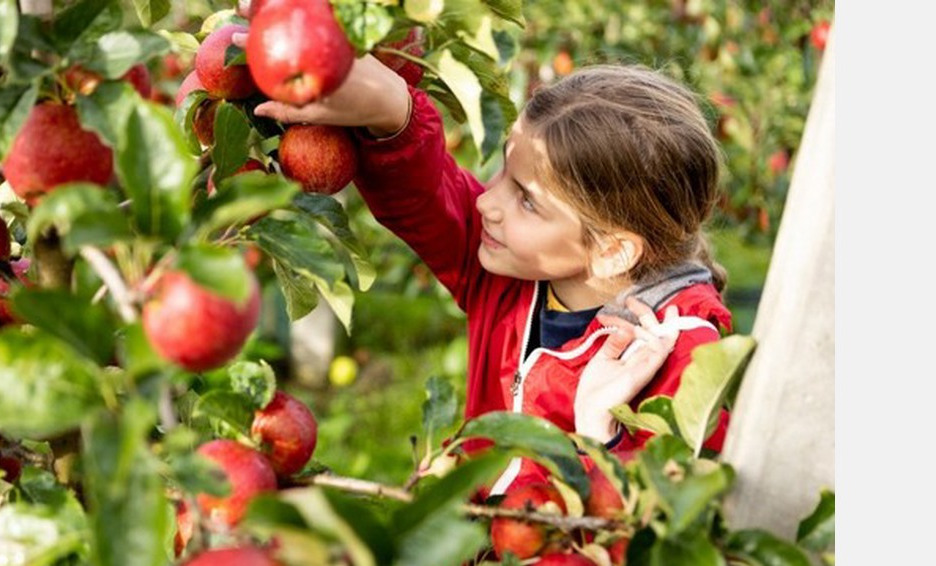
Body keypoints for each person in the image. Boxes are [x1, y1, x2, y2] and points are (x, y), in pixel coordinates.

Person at [239, 36, 733, 497]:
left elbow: (662, 531)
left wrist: (598, 434)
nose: (487, 203)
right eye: (503, 169)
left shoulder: (683, 361)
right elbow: (431, 195)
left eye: (527, 201)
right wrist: (394, 115)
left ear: (612, 249)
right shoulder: (511, 273)